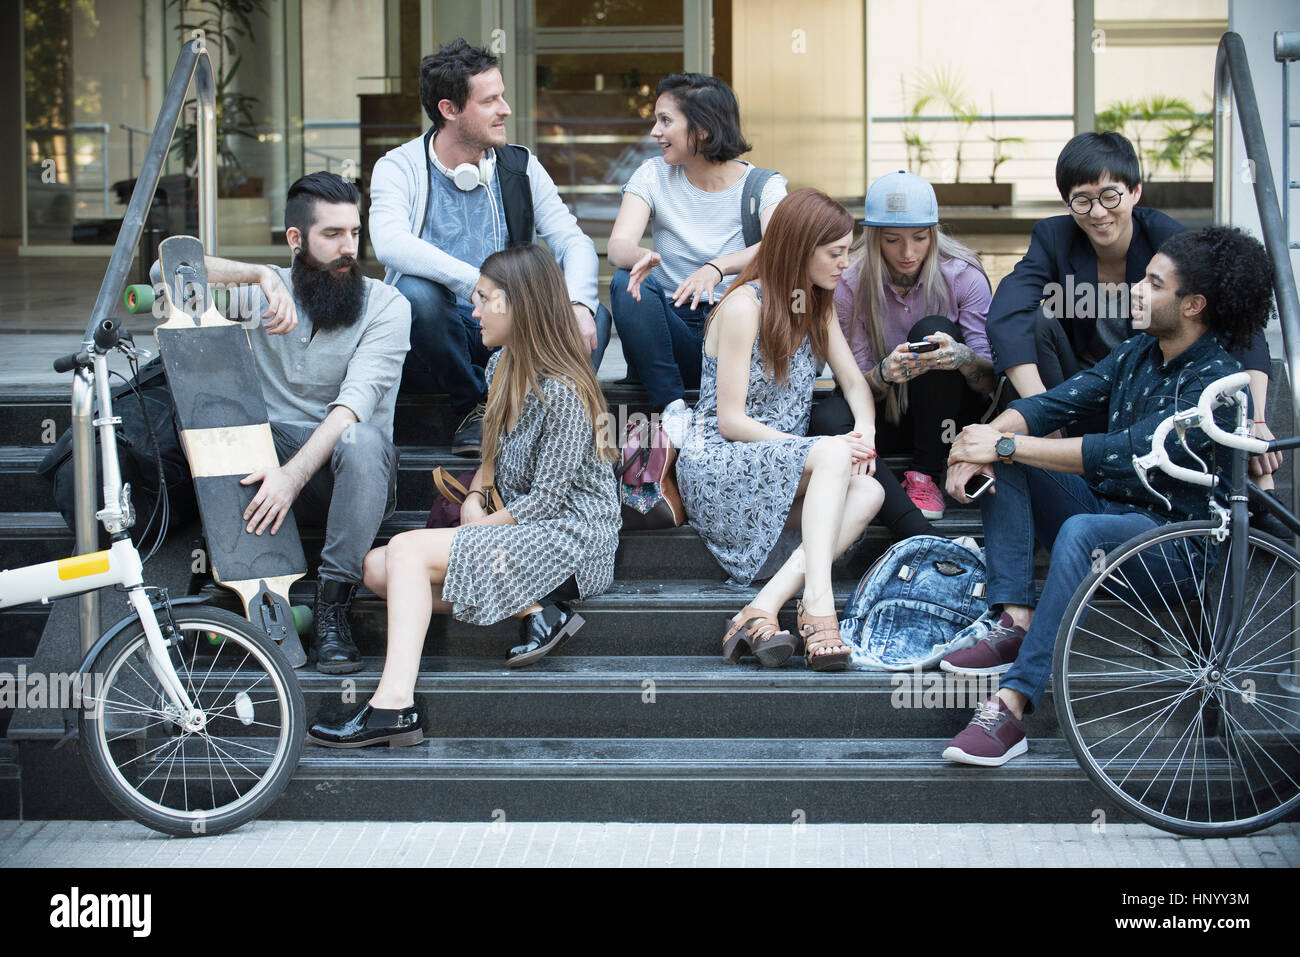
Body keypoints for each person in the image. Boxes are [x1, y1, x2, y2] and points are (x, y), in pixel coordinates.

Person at [939, 225, 1275, 766]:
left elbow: (1123, 451)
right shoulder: (1140, 351)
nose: (1136, 290)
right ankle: (1015, 622)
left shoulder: (1216, 382)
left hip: (1171, 548)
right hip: (1109, 517)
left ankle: (1010, 706)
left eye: (1154, 283)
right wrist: (973, 447)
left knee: (1049, 492)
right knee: (1015, 462)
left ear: (1192, 305)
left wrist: (1002, 444)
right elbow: (1054, 405)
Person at [308, 244, 621, 749]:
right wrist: (476, 494)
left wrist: (475, 528)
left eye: (483, 298)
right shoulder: (500, 367)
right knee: (374, 569)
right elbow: (492, 455)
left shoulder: (564, 390)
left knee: (407, 551)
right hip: (516, 526)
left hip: (572, 539)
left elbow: (545, 501)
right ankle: (533, 608)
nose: (472, 311)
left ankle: (393, 706)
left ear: (517, 304)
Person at [152, 171, 411, 675]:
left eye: (354, 233)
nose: (348, 248)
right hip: (260, 477)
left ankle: (334, 605)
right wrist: (258, 275)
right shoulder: (259, 297)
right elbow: (167, 274)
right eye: (332, 235)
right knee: (211, 413)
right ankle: (234, 574)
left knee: (360, 437)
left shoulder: (387, 306)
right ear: (296, 240)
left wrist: (292, 477)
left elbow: (352, 406)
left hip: (350, 478)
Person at [986, 131, 1279, 487]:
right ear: (1067, 203)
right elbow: (1007, 311)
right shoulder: (1054, 237)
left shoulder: (1167, 241)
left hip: (1149, 393)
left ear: (1135, 191)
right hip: (1079, 391)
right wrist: (1039, 415)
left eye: (1110, 196)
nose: (1098, 212)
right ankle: (1054, 459)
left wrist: (1256, 419)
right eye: (1082, 200)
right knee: (1034, 317)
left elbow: (1235, 316)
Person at [675, 188, 885, 672]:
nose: (845, 265)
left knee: (870, 492)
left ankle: (762, 607)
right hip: (721, 464)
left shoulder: (817, 305)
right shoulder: (744, 306)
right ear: (799, 248)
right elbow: (730, 421)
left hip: (782, 464)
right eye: (835, 254)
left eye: (847, 252)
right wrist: (820, 447)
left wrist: (867, 431)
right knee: (834, 454)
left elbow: (854, 383)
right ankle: (819, 608)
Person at [369, 38, 610, 457]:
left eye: (502, 96)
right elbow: (390, 243)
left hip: (509, 327)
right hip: (436, 343)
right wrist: (480, 288)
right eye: (491, 100)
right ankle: (475, 409)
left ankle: (546, 416)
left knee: (596, 314)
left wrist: (579, 304)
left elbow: (574, 241)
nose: (506, 109)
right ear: (449, 109)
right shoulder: (399, 167)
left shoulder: (519, 166)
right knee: (415, 294)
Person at [606, 73, 787, 438]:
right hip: (673, 332)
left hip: (736, 337)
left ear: (703, 129)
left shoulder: (764, 186)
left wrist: (717, 268)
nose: (655, 132)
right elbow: (617, 246)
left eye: (666, 120)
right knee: (627, 279)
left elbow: (781, 246)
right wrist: (643, 256)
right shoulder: (653, 175)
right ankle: (671, 408)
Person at [814, 170, 995, 526]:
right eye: (893, 240)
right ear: (875, 238)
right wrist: (885, 374)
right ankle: (899, 504)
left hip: (949, 422)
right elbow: (851, 385)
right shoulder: (849, 283)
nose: (908, 252)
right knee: (827, 417)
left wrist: (959, 358)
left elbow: (992, 382)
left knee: (934, 332)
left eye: (919, 238)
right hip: (887, 418)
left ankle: (926, 476)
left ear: (934, 234)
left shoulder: (963, 275)